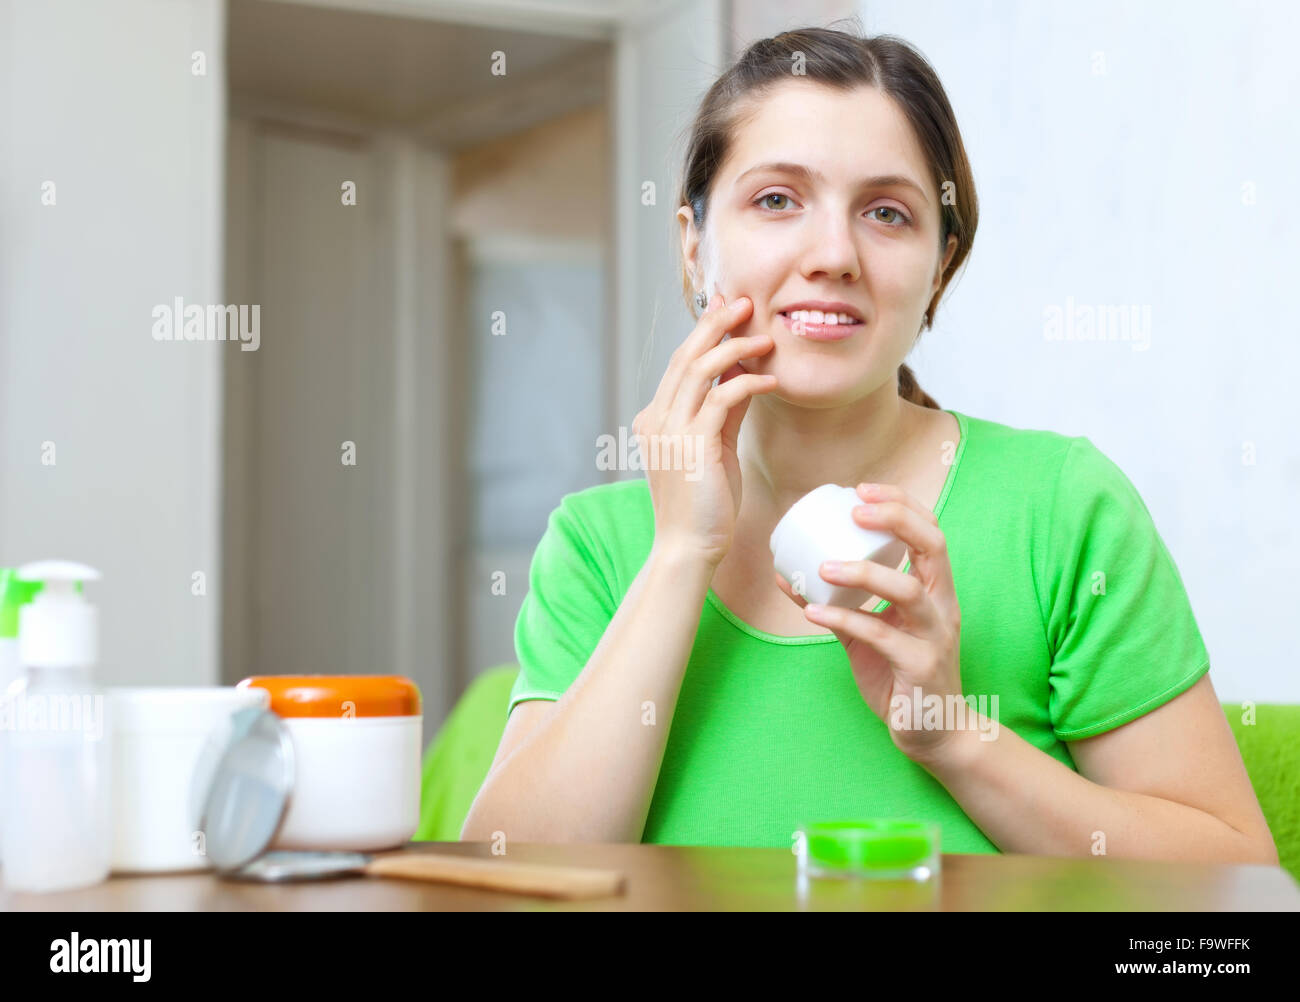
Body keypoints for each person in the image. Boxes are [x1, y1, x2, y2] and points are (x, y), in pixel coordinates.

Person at [462, 26, 1277, 862]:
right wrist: (680, 552)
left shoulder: (1062, 510)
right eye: (777, 199)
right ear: (693, 243)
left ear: (941, 266)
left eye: (887, 213)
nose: (833, 255)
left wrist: (952, 737)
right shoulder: (600, 546)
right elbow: (507, 877)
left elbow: (1234, 883)